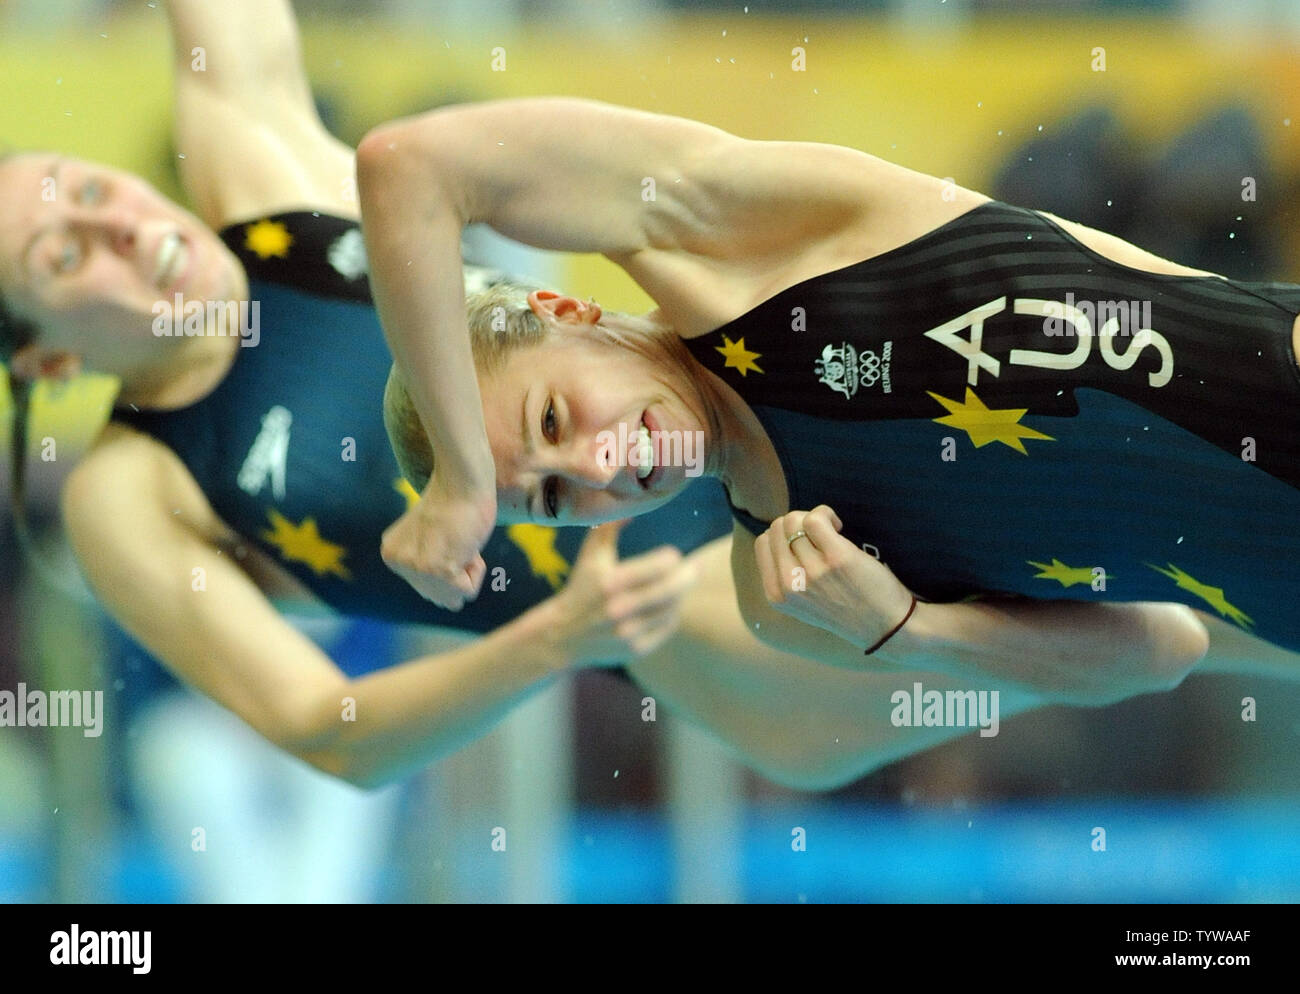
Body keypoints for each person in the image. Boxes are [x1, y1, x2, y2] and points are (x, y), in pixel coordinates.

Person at [0, 0, 1062, 795]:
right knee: (1125, 634)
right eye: (64, 254)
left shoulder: (267, 181)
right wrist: (559, 637)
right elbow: (330, 727)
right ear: (45, 360)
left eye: (91, 188)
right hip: (728, 637)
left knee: (1181, 597)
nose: (126, 228)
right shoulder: (130, 489)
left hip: (775, 434)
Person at [366, 96, 1300, 699]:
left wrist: (462, 485)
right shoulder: (790, 589)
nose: (600, 466)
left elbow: (409, 163)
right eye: (555, 498)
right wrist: (907, 632)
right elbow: (1163, 648)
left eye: (554, 421)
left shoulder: (739, 241)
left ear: (567, 309)